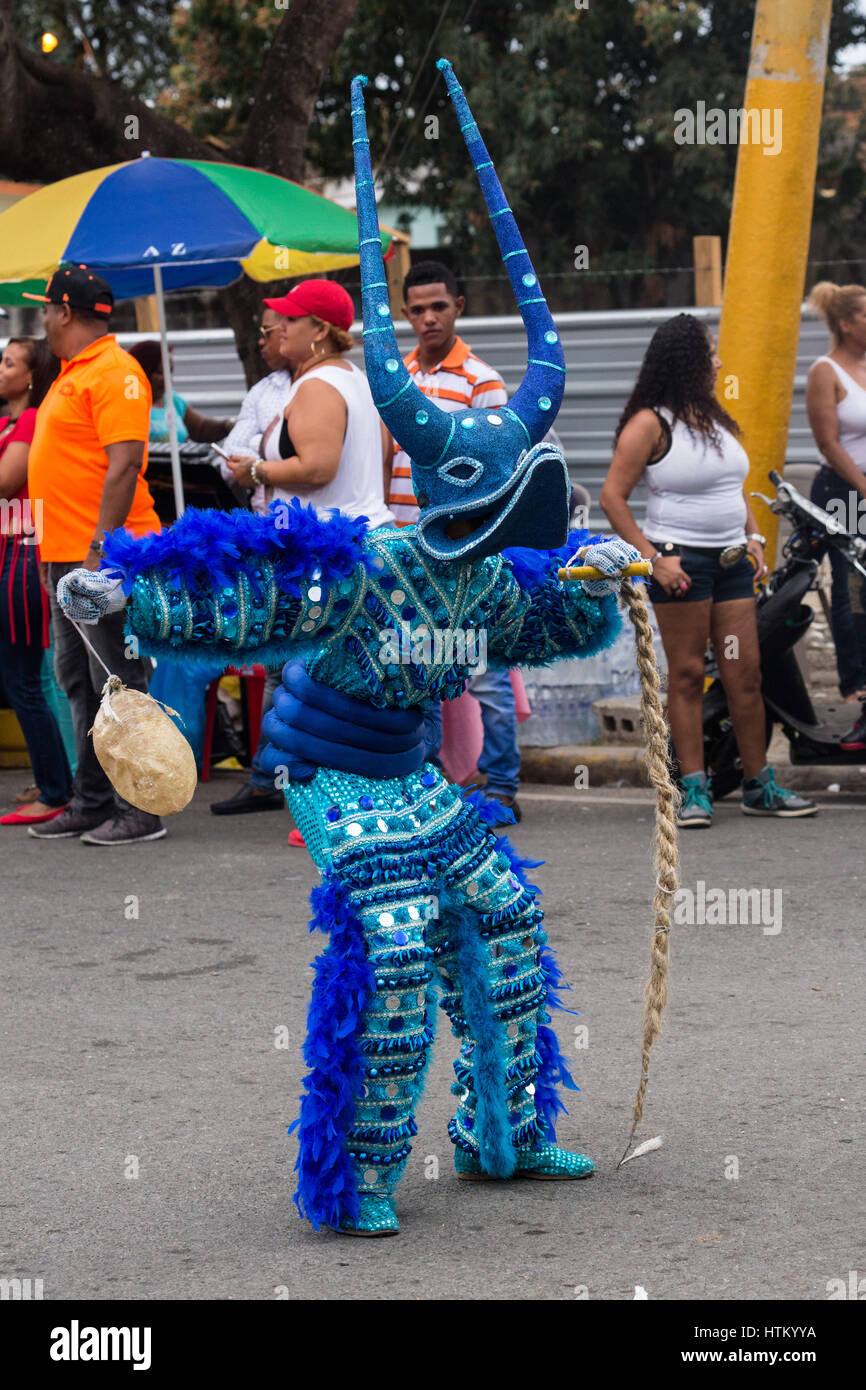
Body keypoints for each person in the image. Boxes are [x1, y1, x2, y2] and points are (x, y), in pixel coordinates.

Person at [57, 61, 642, 1237]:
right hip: (334, 774)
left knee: (507, 928)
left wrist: (606, 577)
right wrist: (124, 597)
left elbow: (563, 621)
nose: (503, 542)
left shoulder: (493, 581)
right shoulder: (370, 563)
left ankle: (505, 1133)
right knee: (392, 950)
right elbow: (248, 601)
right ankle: (361, 1173)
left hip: (419, 777)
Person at [600, 312, 817, 825]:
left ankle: (757, 784)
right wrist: (653, 563)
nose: (718, 362)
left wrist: (754, 536)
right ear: (686, 362)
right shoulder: (650, 423)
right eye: (710, 354)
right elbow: (612, 497)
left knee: (746, 674)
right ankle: (692, 789)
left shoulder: (714, 418)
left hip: (731, 564)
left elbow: (731, 487)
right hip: (683, 566)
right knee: (689, 674)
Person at [211, 279, 394, 818]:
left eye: (290, 319)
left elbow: (318, 467)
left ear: (319, 331)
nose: (277, 328)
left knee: (315, 675)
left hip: (327, 550)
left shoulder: (318, 387)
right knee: (331, 672)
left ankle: (327, 799)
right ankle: (297, 784)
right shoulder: (354, 381)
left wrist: (257, 470)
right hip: (350, 542)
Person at [23, 265, 165, 846]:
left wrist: (99, 550)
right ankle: (93, 799)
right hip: (67, 555)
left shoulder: (115, 372)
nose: (43, 319)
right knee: (79, 681)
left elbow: (126, 463)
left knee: (119, 681)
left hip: (103, 555)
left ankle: (141, 807)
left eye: (46, 309)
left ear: (62, 312)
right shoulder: (71, 374)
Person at [386, 258, 523, 819]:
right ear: (405, 314)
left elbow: (501, 472)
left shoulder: (482, 381)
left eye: (438, 306)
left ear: (459, 308)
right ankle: (433, 784)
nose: (428, 318)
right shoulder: (399, 381)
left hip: (468, 548)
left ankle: (503, 784)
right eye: (416, 309)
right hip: (405, 544)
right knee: (420, 664)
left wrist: (481, 538)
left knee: (484, 670)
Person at [0, 336, 73, 826]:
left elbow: (6, 484)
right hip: (11, 551)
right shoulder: (11, 420)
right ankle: (54, 779)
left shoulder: (30, 419)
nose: (0, 368)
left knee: (26, 679)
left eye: (9, 362)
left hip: (24, 553)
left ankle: (56, 789)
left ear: (31, 376)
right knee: (24, 678)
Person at [805, 281, 866, 739]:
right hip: (845, 492)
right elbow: (828, 442)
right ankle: (854, 686)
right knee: (852, 586)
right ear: (845, 323)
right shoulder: (825, 371)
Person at [126, 341, 234, 444]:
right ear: (143, 371)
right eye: (160, 372)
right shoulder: (129, 402)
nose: (168, 379)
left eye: (170, 372)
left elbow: (201, 428)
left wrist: (227, 425)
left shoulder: (172, 400)